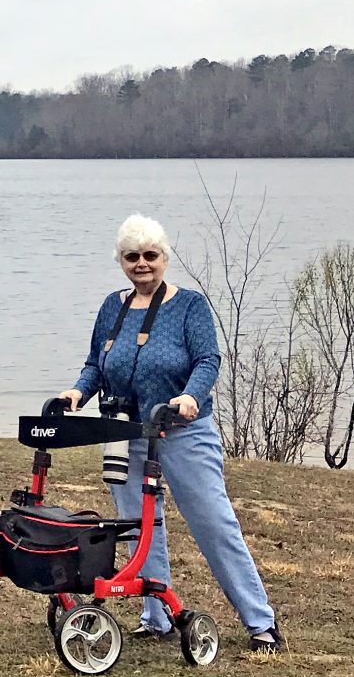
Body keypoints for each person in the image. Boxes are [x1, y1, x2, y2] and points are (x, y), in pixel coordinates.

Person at [55, 214, 284, 651]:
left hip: (181, 432)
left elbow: (208, 361)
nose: (142, 264)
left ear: (164, 257)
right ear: (121, 261)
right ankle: (155, 615)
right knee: (140, 527)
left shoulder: (189, 306)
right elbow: (95, 366)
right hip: (125, 431)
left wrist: (191, 396)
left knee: (213, 523)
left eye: (150, 255)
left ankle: (261, 623)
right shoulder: (112, 307)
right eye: (131, 257)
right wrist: (78, 393)